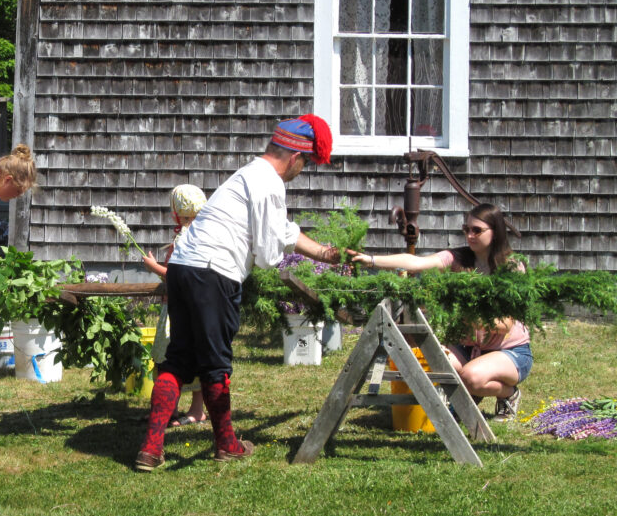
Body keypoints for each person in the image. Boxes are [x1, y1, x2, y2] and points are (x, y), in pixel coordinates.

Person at [135, 115, 339, 472]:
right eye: (305, 164)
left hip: (184, 268)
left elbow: (283, 230)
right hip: (214, 273)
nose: (301, 171)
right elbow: (269, 254)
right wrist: (276, 253)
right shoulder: (270, 183)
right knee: (215, 363)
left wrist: (323, 253)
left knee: (180, 357)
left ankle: (151, 449)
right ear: (294, 157)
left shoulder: (249, 174)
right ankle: (227, 444)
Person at [348, 203, 531, 421]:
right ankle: (467, 397)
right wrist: (371, 260)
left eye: (477, 230)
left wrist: (463, 313)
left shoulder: (511, 267)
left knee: (471, 378)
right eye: (466, 229)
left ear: (496, 231)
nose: (470, 235)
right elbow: (416, 262)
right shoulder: (459, 258)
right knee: (434, 364)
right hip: (469, 346)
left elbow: (505, 325)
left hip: (509, 350)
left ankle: (508, 394)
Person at [142, 184, 209, 427]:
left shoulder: (183, 239)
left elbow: (174, 275)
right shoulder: (206, 236)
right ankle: (197, 409)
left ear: (177, 212)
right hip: (200, 308)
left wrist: (153, 266)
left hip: (177, 310)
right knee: (197, 356)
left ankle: (167, 409)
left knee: (168, 359)